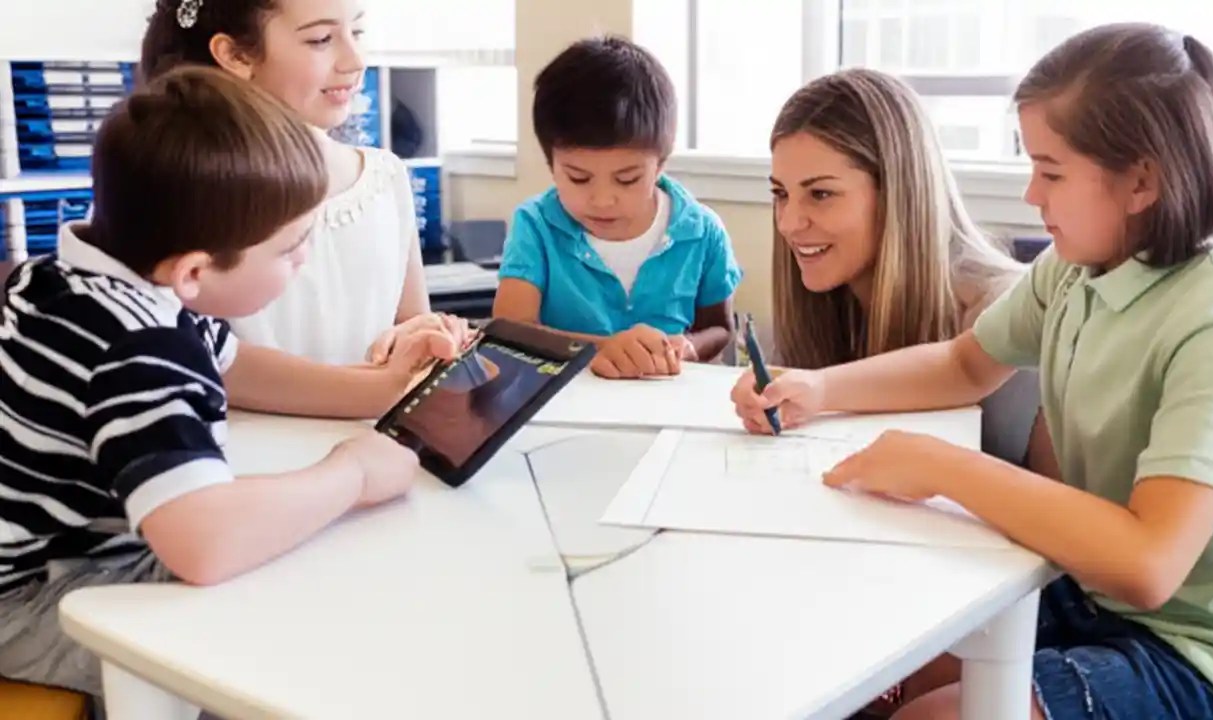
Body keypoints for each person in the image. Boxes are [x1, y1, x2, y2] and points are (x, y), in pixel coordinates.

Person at [739, 24, 1213, 720]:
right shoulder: (1076, 269)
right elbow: (966, 363)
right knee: (877, 662)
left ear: (1141, 180)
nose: (1031, 194)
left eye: (1051, 171)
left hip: (1199, 653)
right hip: (1084, 587)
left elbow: (1149, 563)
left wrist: (944, 466)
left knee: (924, 714)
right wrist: (818, 387)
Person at [0, 67, 420, 697]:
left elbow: (239, 367)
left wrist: (385, 389)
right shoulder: (139, 349)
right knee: (282, 649)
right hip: (30, 602)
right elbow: (206, 542)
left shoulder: (75, 277)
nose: (304, 259)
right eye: (290, 249)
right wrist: (352, 474)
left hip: (67, 554)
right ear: (195, 271)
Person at [140, 0, 468, 418]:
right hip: (248, 460)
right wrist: (376, 390)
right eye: (321, 39)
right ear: (237, 55)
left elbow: (409, 322)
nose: (354, 60)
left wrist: (428, 340)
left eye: (358, 33)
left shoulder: (384, 177)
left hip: (371, 444)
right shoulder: (187, 187)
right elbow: (201, 356)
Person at [733, 67, 1053, 471]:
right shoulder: (826, 298)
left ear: (898, 192)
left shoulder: (1008, 310)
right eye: (780, 193)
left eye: (821, 194)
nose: (789, 223)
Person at [492, 36, 743, 380]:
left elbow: (719, 328)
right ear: (551, 163)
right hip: (565, 408)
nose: (602, 200)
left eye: (627, 179)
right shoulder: (535, 226)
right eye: (579, 178)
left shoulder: (701, 231)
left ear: (661, 164)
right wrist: (601, 347)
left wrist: (689, 347)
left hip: (666, 404)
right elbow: (511, 331)